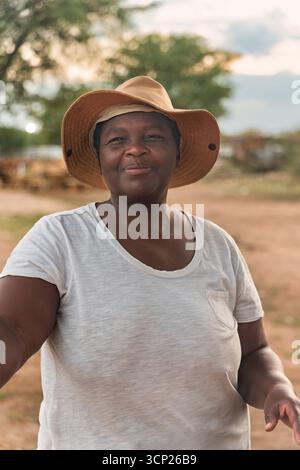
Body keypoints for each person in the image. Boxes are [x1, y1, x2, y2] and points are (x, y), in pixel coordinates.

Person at [0, 76, 299, 450]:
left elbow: (253, 352)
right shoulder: (60, 239)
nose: (135, 150)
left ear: (177, 150)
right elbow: (10, 330)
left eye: (154, 137)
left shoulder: (217, 245)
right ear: (100, 156)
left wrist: (276, 389)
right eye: (117, 140)